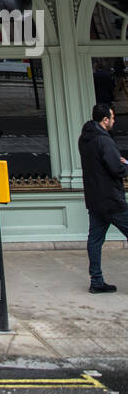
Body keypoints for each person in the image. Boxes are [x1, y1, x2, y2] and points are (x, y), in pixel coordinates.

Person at [78, 102, 128, 293]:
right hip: (111, 200)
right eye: (112, 118)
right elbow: (117, 168)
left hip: (94, 199)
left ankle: (96, 281)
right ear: (105, 119)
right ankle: (97, 281)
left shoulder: (85, 138)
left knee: (95, 240)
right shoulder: (104, 140)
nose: (114, 121)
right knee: (96, 239)